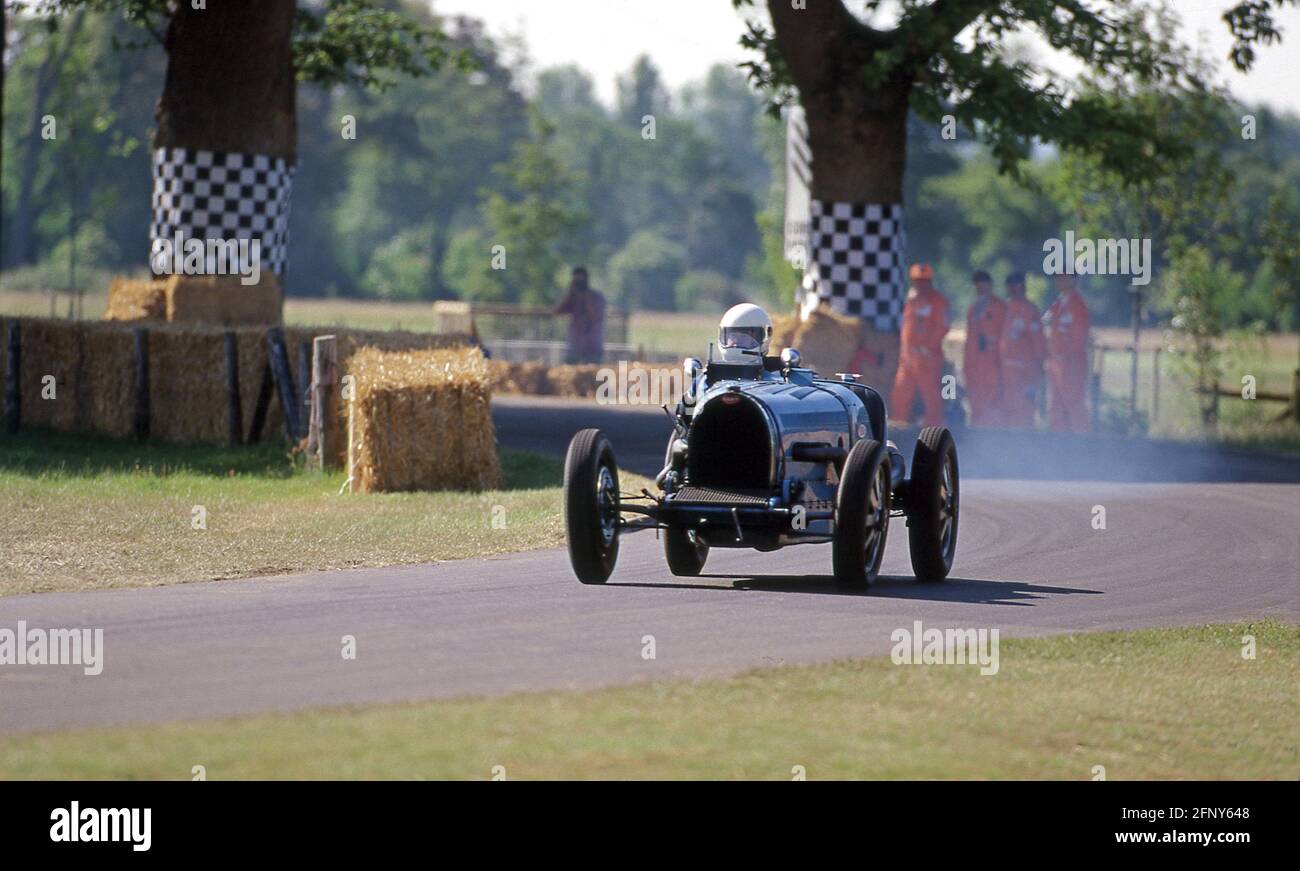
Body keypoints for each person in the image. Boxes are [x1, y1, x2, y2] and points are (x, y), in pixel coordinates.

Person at [890, 263, 951, 427]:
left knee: (931, 395)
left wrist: (928, 347)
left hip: (928, 357)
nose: (921, 284)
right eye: (918, 280)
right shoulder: (910, 300)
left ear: (930, 281)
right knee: (901, 391)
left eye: (924, 281)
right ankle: (899, 426)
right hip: (908, 357)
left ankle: (934, 428)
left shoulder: (939, 301)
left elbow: (943, 326)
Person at [1043, 272, 1092, 432]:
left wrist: (1066, 359)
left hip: (1072, 366)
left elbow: (1079, 340)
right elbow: (1045, 321)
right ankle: (1058, 447)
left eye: (1064, 277)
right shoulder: (1059, 302)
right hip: (1057, 366)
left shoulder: (1077, 305)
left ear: (1073, 279)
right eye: (1057, 277)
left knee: (1074, 406)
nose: (1059, 280)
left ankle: (1080, 446)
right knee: (1057, 408)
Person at [997, 271, 1046, 428]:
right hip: (1006, 369)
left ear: (1022, 287)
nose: (1012, 289)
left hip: (1025, 370)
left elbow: (1038, 342)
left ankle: (1025, 444)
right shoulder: (1004, 308)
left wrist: (1038, 370)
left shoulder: (1030, 310)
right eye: (1009, 286)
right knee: (1006, 407)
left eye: (1015, 286)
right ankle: (1007, 445)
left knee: (1024, 408)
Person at [962, 269, 1005, 426]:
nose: (981, 289)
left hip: (993, 363)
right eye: (978, 286)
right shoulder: (973, 310)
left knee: (995, 401)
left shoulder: (1001, 307)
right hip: (975, 365)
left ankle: (994, 436)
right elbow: (969, 340)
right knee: (975, 401)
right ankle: (976, 435)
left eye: (984, 285)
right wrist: (966, 366)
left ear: (990, 285)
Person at [555, 266, 606, 364]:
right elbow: (557, 311)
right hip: (575, 346)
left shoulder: (597, 297)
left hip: (593, 347)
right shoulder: (572, 298)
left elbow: (596, 317)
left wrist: (586, 298)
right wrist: (569, 294)